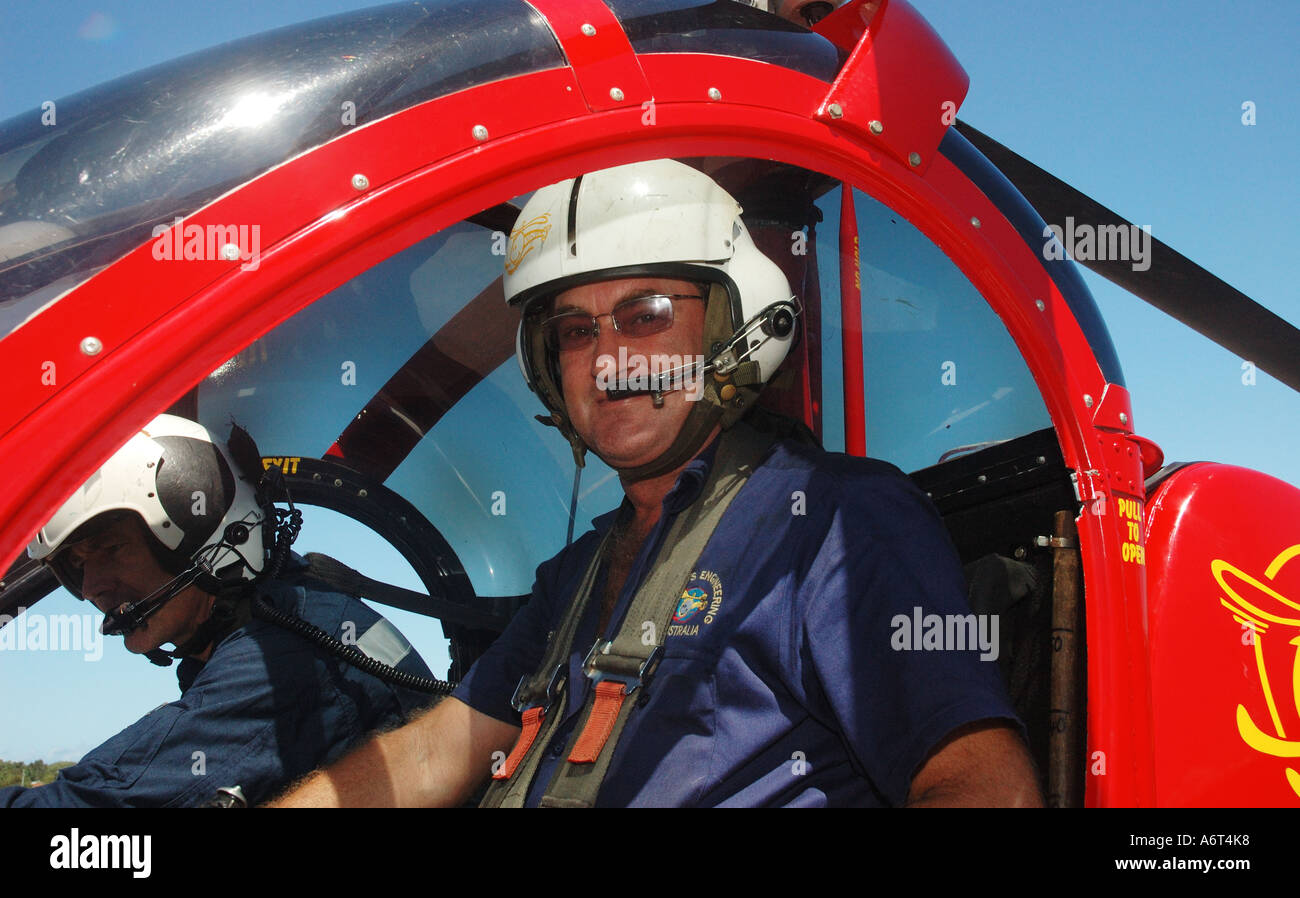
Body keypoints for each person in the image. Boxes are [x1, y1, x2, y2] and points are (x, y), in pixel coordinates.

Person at [274, 159, 1042, 807]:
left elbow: (984, 787)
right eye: (576, 331)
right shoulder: (571, 580)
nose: (607, 358)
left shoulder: (836, 521)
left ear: (727, 328)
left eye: (644, 314)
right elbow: (432, 756)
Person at [1, 414, 437, 807]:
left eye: (111, 549)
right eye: (76, 566)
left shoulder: (281, 661)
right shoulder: (297, 608)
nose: (92, 586)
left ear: (203, 536)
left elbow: (92, 813)